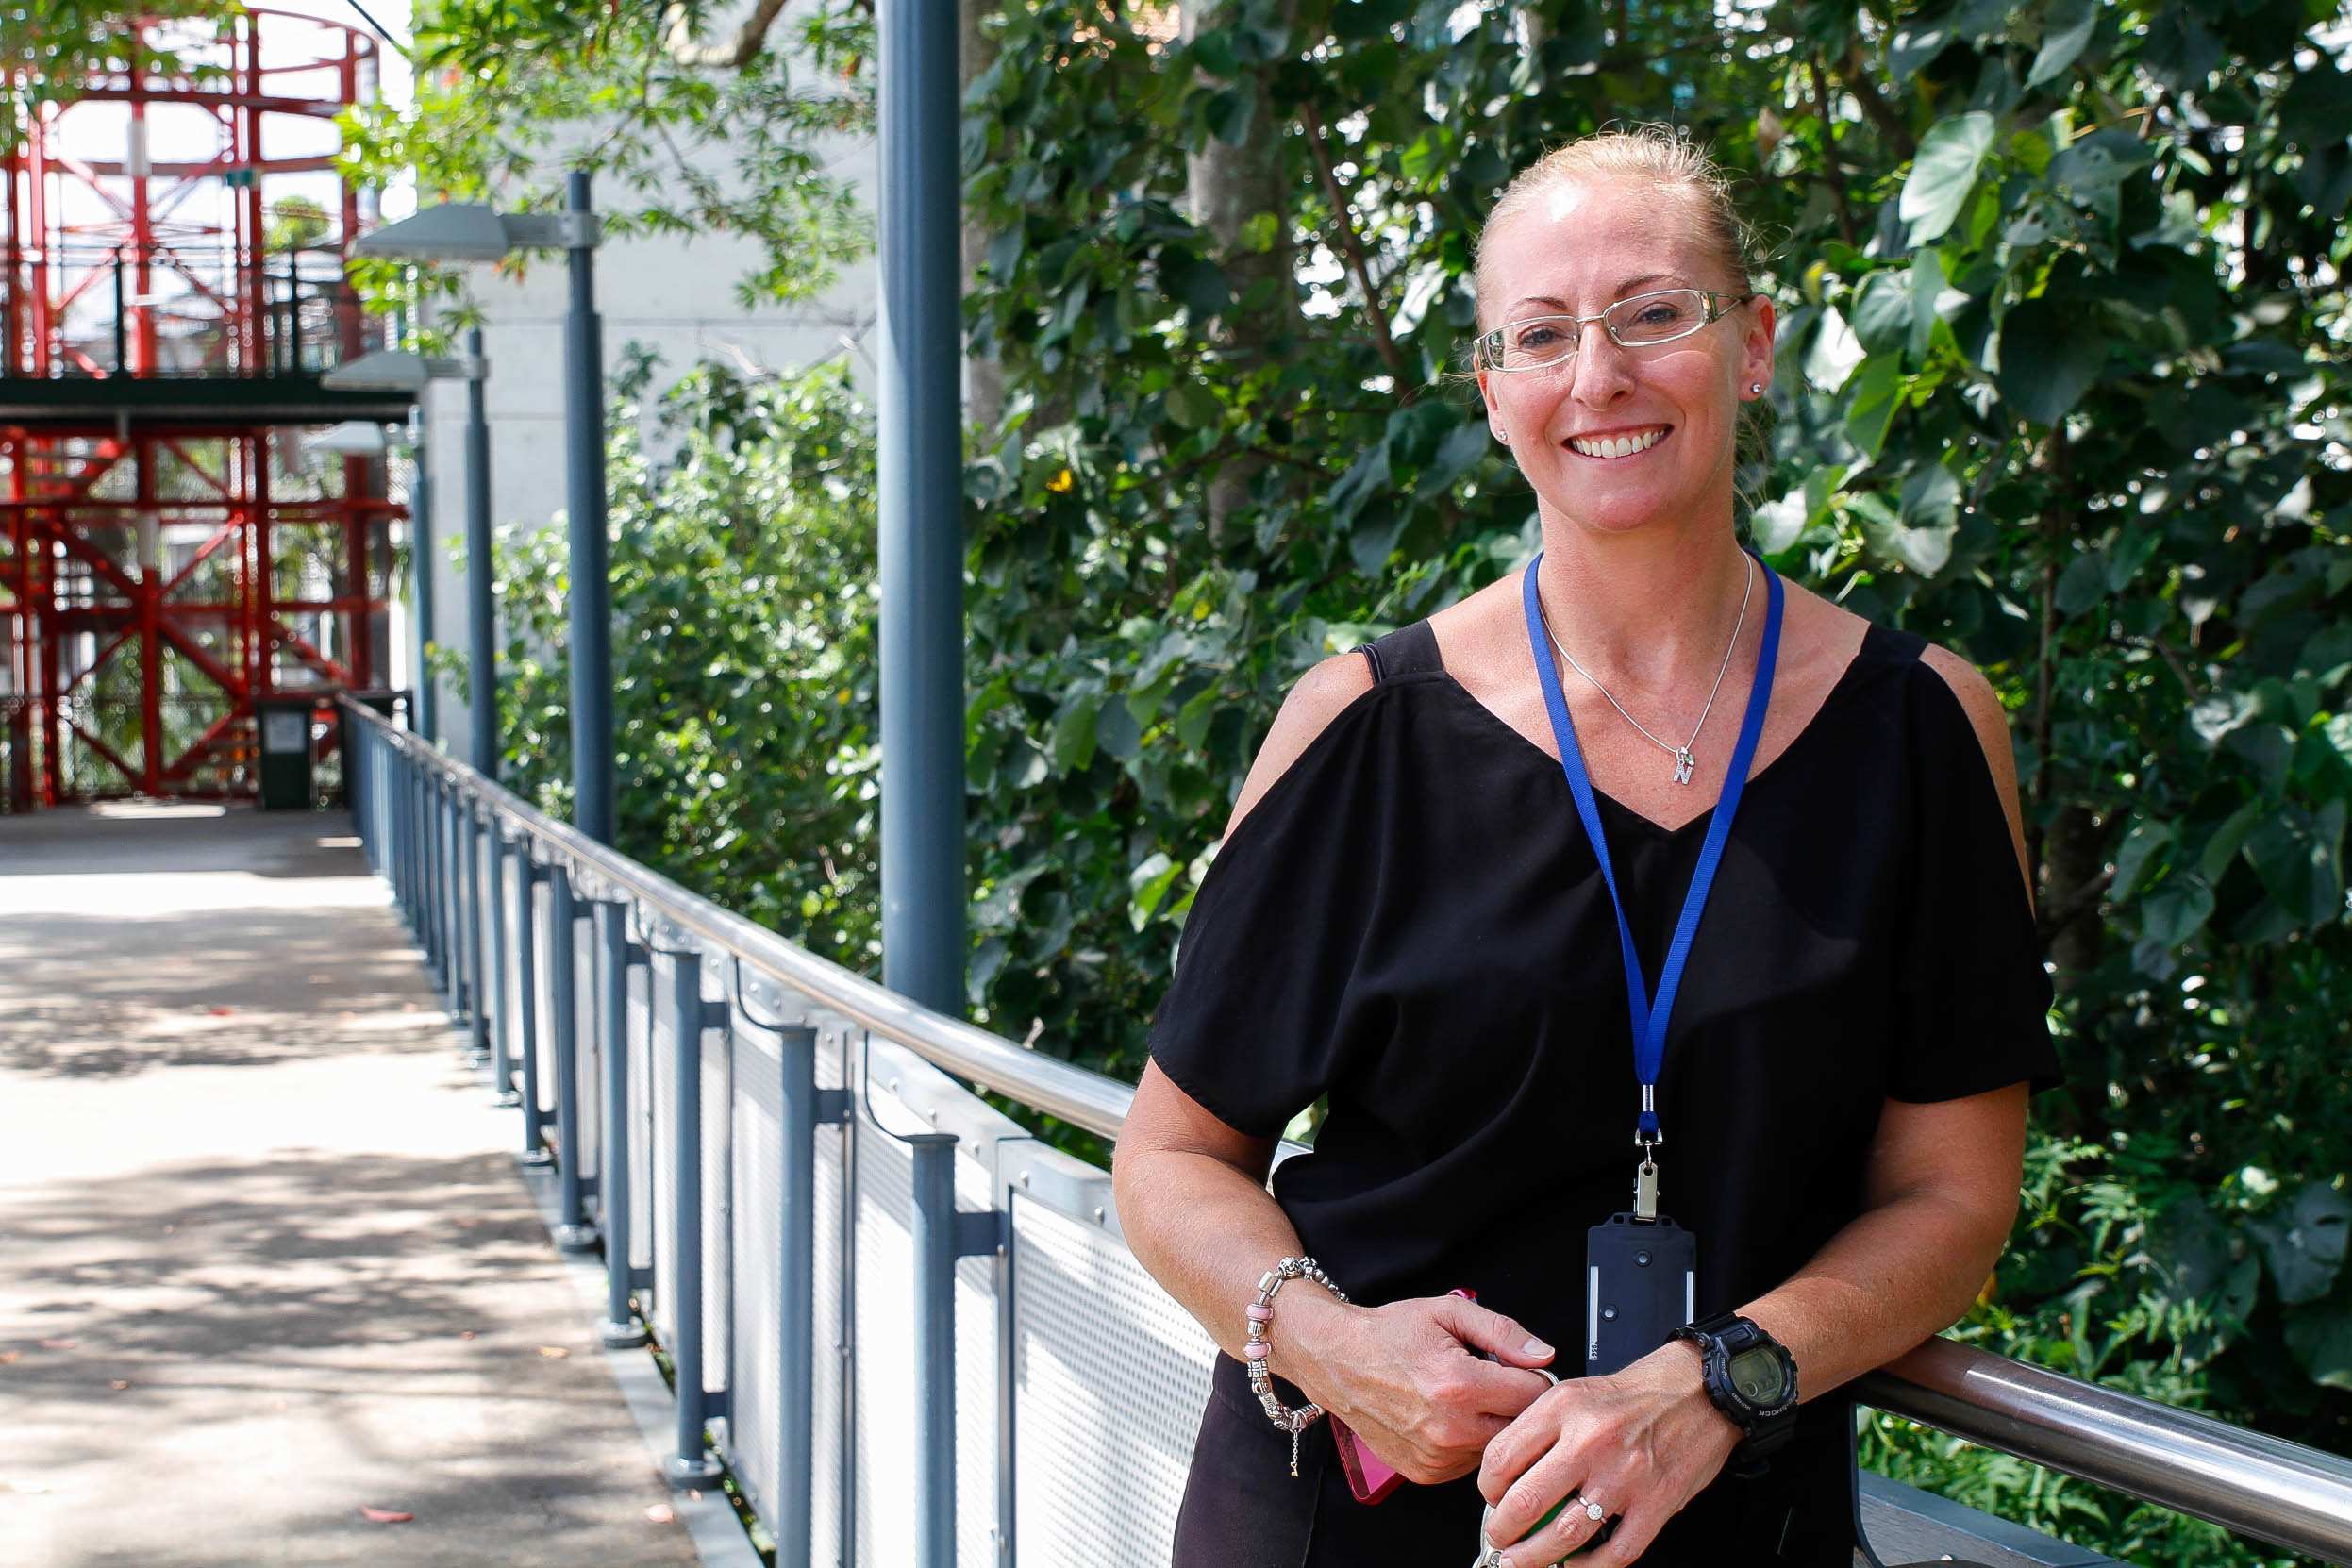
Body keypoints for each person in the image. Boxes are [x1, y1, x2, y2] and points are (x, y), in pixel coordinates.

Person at [1109, 125, 2060, 1568]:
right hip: (1351, 1513)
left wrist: (1724, 1376)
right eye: (1540, 335)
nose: (1597, 377)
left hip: (1729, 1518)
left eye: (1653, 313)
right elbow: (1171, 1155)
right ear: (1493, 392)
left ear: (1749, 344)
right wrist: (1326, 1338)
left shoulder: (1919, 728)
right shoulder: (1363, 726)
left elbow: (1953, 1199)